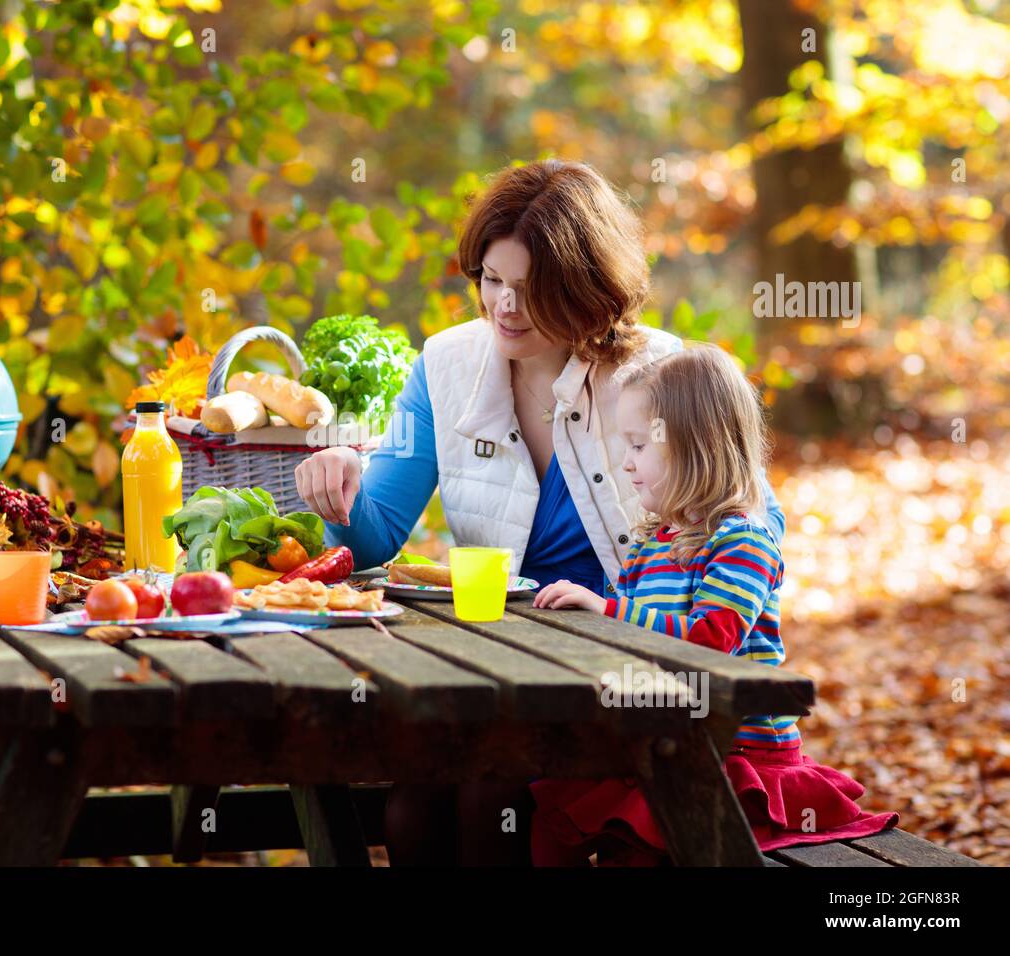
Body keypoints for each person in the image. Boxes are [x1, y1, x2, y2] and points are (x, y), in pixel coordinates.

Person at [294, 159, 785, 865]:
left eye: (530, 290)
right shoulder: (446, 367)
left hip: (629, 676)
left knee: (487, 808)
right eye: (491, 281)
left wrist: (690, 566)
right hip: (503, 672)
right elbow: (371, 539)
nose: (504, 308)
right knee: (408, 814)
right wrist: (338, 489)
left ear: (585, 287)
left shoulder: (660, 376)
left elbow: (756, 517)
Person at [529, 344, 898, 865]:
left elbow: (711, 640)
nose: (626, 464)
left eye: (638, 446)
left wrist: (604, 610)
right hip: (667, 737)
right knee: (549, 818)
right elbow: (626, 641)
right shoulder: (652, 542)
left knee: (640, 846)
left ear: (695, 446)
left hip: (738, 756)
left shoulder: (742, 542)